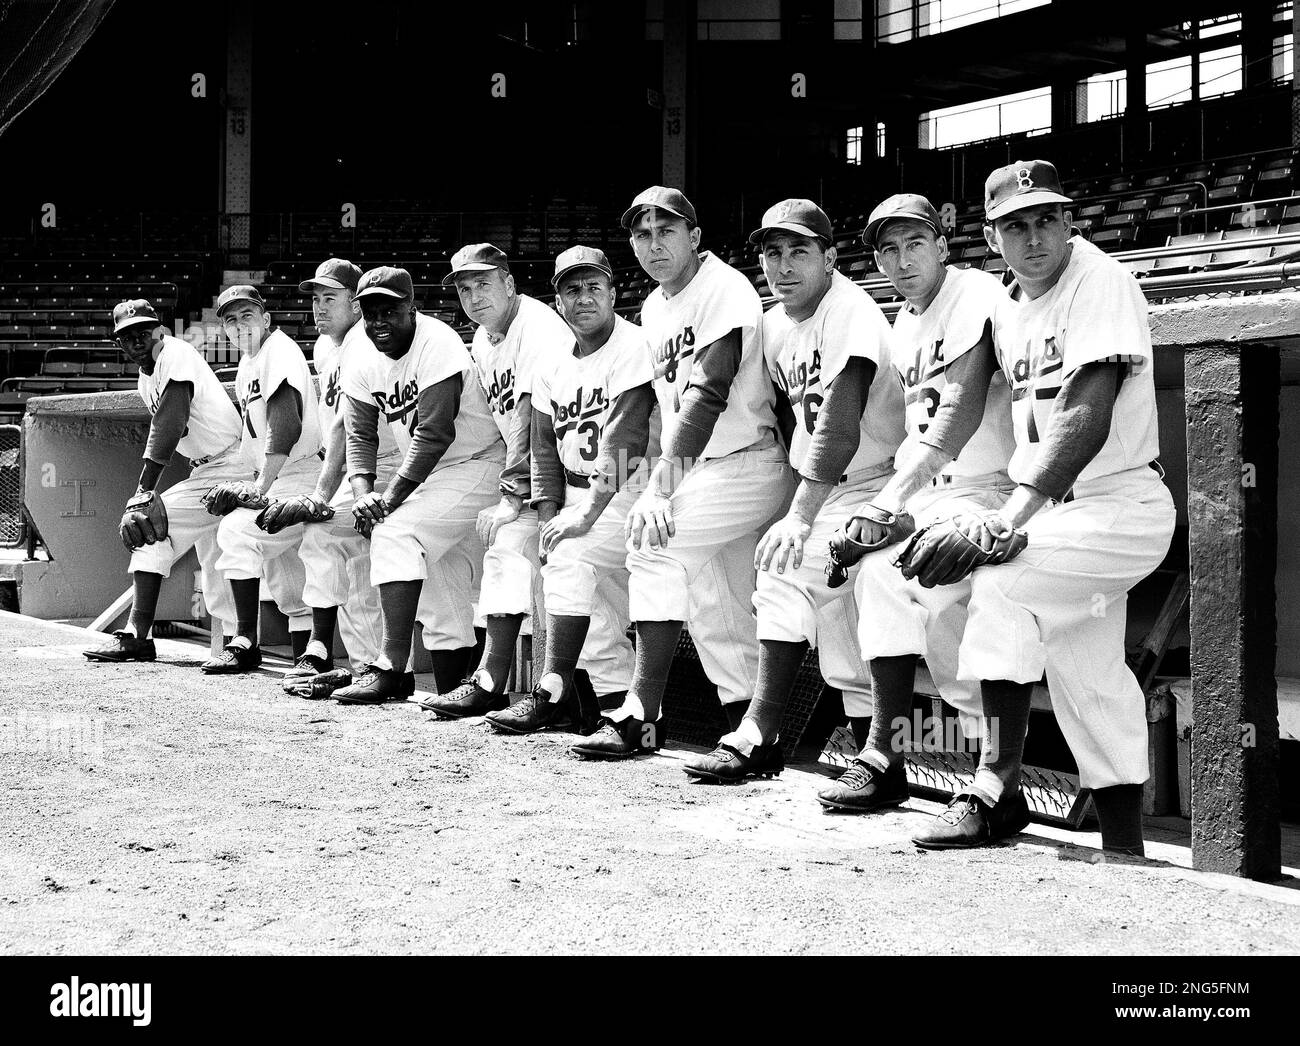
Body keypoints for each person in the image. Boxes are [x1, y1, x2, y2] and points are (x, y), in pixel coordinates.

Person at [904, 161, 1175, 855]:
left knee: (1000, 585)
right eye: (1016, 225)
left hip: (1119, 504)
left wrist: (1005, 519)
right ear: (992, 239)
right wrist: (897, 494)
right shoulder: (1004, 300)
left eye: (1047, 219)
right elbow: (963, 400)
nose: (1034, 236)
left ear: (1070, 222)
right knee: (1088, 672)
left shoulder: (1099, 279)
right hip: (1061, 514)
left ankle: (994, 789)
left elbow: (1087, 410)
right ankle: (1125, 847)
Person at [680, 199, 900, 783]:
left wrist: (797, 514)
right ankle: (878, 761)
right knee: (839, 633)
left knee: (783, 573)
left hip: (876, 483)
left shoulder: (849, 309)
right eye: (772, 253)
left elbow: (838, 421)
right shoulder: (776, 324)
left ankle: (759, 733)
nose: (782, 266)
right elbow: (782, 417)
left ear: (831, 256)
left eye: (799, 250)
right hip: (828, 489)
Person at [813, 193, 1019, 815]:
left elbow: (960, 408)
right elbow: (916, 435)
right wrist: (887, 509)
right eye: (887, 249)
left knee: (944, 599)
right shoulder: (905, 319)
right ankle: (885, 756)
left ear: (942, 244)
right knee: (874, 570)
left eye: (914, 244)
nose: (901, 261)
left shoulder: (975, 293)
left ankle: (994, 774)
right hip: (937, 492)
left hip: (995, 490)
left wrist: (890, 501)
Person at [572, 186, 791, 759]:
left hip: (748, 459)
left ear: (695, 237)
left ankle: (642, 713)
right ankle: (752, 738)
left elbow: (708, 392)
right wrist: (617, 491)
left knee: (654, 548)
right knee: (719, 606)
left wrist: (660, 487)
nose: (653, 244)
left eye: (666, 230)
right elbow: (645, 413)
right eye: (642, 234)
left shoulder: (724, 288)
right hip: (705, 468)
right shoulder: (653, 306)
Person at [485, 246, 656, 734]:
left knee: (572, 554)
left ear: (613, 292)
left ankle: (552, 688)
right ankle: (608, 708)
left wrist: (580, 516)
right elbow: (542, 447)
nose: (584, 297)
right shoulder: (551, 361)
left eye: (593, 287)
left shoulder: (633, 345)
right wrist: (549, 510)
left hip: (634, 485)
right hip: (579, 491)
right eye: (571, 289)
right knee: (588, 600)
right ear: (557, 300)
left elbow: (627, 440)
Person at [331, 267, 504, 703]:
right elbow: (360, 435)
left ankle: (391, 666)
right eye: (370, 313)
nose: (379, 322)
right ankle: (450, 692)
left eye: (390, 310)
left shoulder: (437, 341)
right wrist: (363, 492)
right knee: (436, 571)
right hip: (437, 474)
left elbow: (434, 434)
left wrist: (386, 502)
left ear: (413, 307)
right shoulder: (361, 356)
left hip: (479, 461)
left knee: (396, 532)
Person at [83, 299, 245, 664]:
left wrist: (144, 489)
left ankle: (137, 635)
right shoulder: (145, 377)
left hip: (233, 463)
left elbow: (169, 425)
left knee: (147, 524)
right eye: (127, 336)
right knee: (218, 559)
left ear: (161, 331)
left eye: (143, 331)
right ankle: (237, 645)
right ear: (119, 344)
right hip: (206, 468)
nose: (136, 340)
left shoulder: (176, 352)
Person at [204, 285, 323, 674]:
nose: (240, 326)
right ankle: (307, 656)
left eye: (248, 316)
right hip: (281, 473)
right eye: (231, 320)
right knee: (284, 565)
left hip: (300, 471)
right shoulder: (248, 364)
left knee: (237, 534)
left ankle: (244, 641)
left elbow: (285, 424)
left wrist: (259, 488)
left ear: (266, 319)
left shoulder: (280, 351)